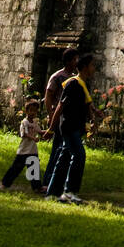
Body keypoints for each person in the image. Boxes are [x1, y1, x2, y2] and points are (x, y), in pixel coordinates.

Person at [44, 53, 98, 204]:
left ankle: (52, 193)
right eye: (92, 65)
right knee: (79, 156)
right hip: (69, 127)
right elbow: (60, 106)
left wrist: (94, 118)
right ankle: (69, 191)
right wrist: (51, 128)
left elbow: (87, 105)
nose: (94, 68)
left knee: (64, 158)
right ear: (85, 67)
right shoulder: (73, 83)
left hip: (76, 127)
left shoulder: (83, 84)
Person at [42, 47, 79, 192]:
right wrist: (52, 116)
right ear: (69, 61)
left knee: (64, 151)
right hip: (59, 118)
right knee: (57, 150)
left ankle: (57, 181)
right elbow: (49, 96)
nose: (77, 62)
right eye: (75, 59)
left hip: (68, 119)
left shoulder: (75, 78)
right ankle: (48, 181)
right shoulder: (58, 76)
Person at [0, 98, 43, 193]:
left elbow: (39, 131)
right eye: (31, 110)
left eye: (35, 111)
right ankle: (4, 183)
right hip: (23, 151)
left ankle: (37, 187)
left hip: (33, 151)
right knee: (15, 168)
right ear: (26, 111)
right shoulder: (24, 122)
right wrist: (34, 138)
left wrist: (49, 131)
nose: (33, 113)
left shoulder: (35, 122)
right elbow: (24, 134)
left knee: (34, 169)